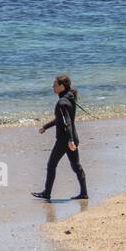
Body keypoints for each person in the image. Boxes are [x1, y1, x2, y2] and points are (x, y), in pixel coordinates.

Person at [32, 73, 87, 201]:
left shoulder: (62, 102)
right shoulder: (70, 98)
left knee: (51, 164)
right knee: (76, 166)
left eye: (55, 85)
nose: (53, 87)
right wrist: (46, 127)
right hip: (71, 138)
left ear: (62, 86)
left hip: (65, 140)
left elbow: (66, 121)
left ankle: (47, 192)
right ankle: (84, 193)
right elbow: (60, 120)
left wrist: (70, 141)